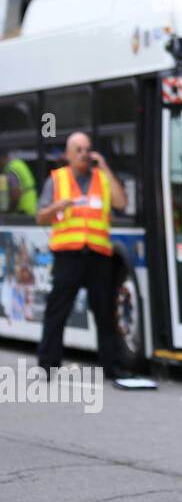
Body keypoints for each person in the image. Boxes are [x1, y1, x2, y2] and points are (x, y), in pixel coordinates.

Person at [35, 132, 128, 377]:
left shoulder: (102, 179)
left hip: (97, 256)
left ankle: (111, 366)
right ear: (68, 154)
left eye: (87, 149)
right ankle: (48, 365)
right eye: (78, 149)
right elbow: (40, 216)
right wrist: (58, 206)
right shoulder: (57, 180)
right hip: (68, 256)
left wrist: (105, 167)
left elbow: (120, 203)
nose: (84, 154)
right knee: (57, 312)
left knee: (105, 314)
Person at [0, 148, 37, 216]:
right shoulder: (18, 163)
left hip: (23, 212)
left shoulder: (11, 170)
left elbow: (15, 195)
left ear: (3, 158)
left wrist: (8, 212)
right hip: (31, 208)